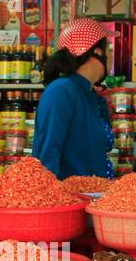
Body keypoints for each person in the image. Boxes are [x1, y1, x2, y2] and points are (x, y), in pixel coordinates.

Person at [31, 19, 117, 179]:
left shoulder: (91, 94)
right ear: (97, 53)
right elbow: (47, 156)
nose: (111, 55)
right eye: (109, 49)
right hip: (71, 199)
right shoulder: (61, 91)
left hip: (94, 197)